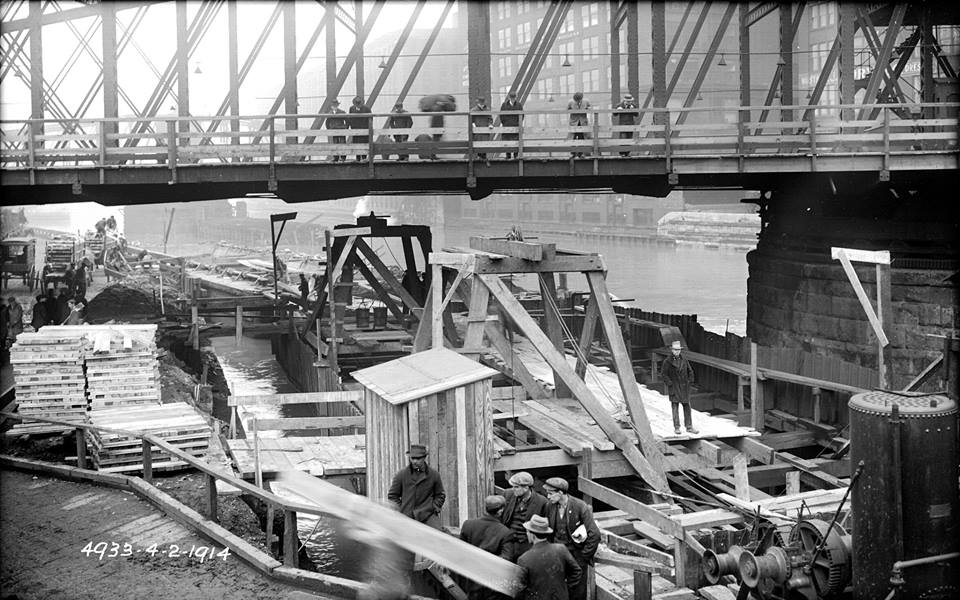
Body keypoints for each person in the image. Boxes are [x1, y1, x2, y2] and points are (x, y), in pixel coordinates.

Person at [542, 477, 600, 600]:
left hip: (576, 555)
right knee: (558, 590)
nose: (548, 496)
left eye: (551, 493)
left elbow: (594, 534)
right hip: (557, 555)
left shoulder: (580, 506)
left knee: (578, 592)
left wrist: (583, 557)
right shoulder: (549, 506)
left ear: (561, 492)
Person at [460, 495, 515, 599]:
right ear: (500, 511)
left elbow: (461, 550)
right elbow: (506, 558)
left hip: (471, 578)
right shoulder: (505, 532)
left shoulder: (468, 524)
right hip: (492, 583)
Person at [517, 515, 581, 600]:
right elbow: (577, 571)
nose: (527, 534)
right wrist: (565, 587)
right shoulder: (561, 549)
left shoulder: (524, 559)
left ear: (532, 535)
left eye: (527, 532)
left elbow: (520, 589)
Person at [387, 443, 446, 529]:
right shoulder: (402, 475)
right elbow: (392, 496)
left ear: (424, 458)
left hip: (427, 515)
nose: (415, 461)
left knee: (440, 534)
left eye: (418, 458)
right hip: (406, 516)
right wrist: (402, 509)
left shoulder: (434, 475)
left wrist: (433, 508)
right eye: (412, 458)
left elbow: (440, 495)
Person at [500, 471, 548, 558]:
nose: (513, 489)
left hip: (527, 542)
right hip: (508, 541)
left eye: (516, 487)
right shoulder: (508, 494)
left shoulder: (542, 502)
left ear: (526, 488)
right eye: (512, 486)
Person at [660, 340, 698, 434]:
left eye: (678, 350)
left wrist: (690, 381)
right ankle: (677, 427)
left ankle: (689, 427)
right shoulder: (667, 361)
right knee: (675, 408)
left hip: (684, 387)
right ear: (672, 350)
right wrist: (670, 384)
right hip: (674, 387)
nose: (677, 351)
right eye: (675, 350)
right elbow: (664, 374)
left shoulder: (684, 360)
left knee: (687, 407)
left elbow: (690, 371)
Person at [499, 91, 524, 159]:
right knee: (507, 141)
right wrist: (504, 123)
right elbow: (501, 116)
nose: (513, 99)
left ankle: (516, 155)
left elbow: (522, 116)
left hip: (515, 126)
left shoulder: (519, 105)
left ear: (516, 97)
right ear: (509, 97)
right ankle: (508, 155)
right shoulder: (504, 105)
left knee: (516, 141)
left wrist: (519, 123)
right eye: (512, 97)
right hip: (507, 126)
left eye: (514, 97)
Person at [614, 93, 639, 157]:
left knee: (629, 138)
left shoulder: (633, 105)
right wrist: (618, 110)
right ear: (624, 101)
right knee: (623, 138)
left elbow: (636, 114)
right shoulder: (619, 105)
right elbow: (614, 114)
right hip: (622, 124)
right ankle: (622, 153)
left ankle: (627, 153)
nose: (629, 103)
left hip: (630, 124)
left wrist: (633, 110)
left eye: (630, 101)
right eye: (628, 101)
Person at [348, 95, 372, 162]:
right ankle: (358, 158)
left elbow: (370, 118)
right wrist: (352, 126)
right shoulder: (351, 109)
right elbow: (350, 118)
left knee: (364, 143)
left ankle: (364, 158)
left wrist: (367, 128)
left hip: (364, 129)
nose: (358, 105)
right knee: (356, 143)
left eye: (359, 103)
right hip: (355, 129)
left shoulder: (367, 109)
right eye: (356, 103)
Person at [567, 92, 591, 158]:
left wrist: (588, 109)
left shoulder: (586, 101)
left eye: (579, 100)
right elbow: (567, 110)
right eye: (576, 100)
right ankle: (573, 153)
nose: (578, 101)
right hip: (574, 122)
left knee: (582, 137)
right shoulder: (570, 102)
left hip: (582, 122)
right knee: (573, 138)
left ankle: (581, 153)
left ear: (581, 98)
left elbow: (590, 108)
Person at [471, 96, 492, 161]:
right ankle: (479, 156)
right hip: (477, 129)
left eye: (482, 103)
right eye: (481, 103)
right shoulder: (474, 110)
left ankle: (484, 157)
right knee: (478, 142)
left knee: (485, 143)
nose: (481, 104)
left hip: (485, 129)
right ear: (478, 103)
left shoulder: (487, 110)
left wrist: (490, 124)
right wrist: (474, 126)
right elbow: (471, 119)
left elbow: (490, 119)